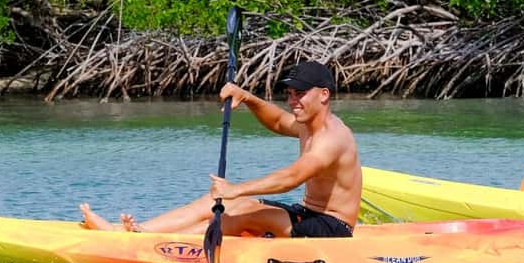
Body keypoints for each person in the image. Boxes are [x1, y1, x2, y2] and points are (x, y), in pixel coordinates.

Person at [80, 60, 362, 237]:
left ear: (324, 95)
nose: (292, 101)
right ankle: (133, 230)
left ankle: (153, 242)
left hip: (331, 227)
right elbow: (277, 120)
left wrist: (237, 189)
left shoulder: (331, 139)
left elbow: (292, 178)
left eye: (300, 94)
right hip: (305, 212)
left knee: (239, 213)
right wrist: (247, 97)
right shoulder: (307, 123)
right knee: (214, 202)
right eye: (289, 94)